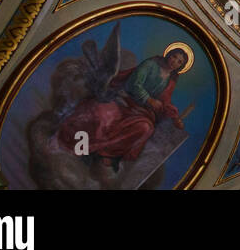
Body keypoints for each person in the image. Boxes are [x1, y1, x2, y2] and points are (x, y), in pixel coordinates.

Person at [56, 45, 189, 172]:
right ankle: (86, 147)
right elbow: (134, 84)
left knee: (145, 128)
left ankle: (105, 153)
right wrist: (149, 99)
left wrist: (175, 117)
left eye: (179, 62)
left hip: (141, 111)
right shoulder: (151, 64)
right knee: (104, 116)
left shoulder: (170, 81)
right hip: (125, 99)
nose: (174, 61)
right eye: (174, 57)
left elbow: (165, 102)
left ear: (180, 67)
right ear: (169, 55)